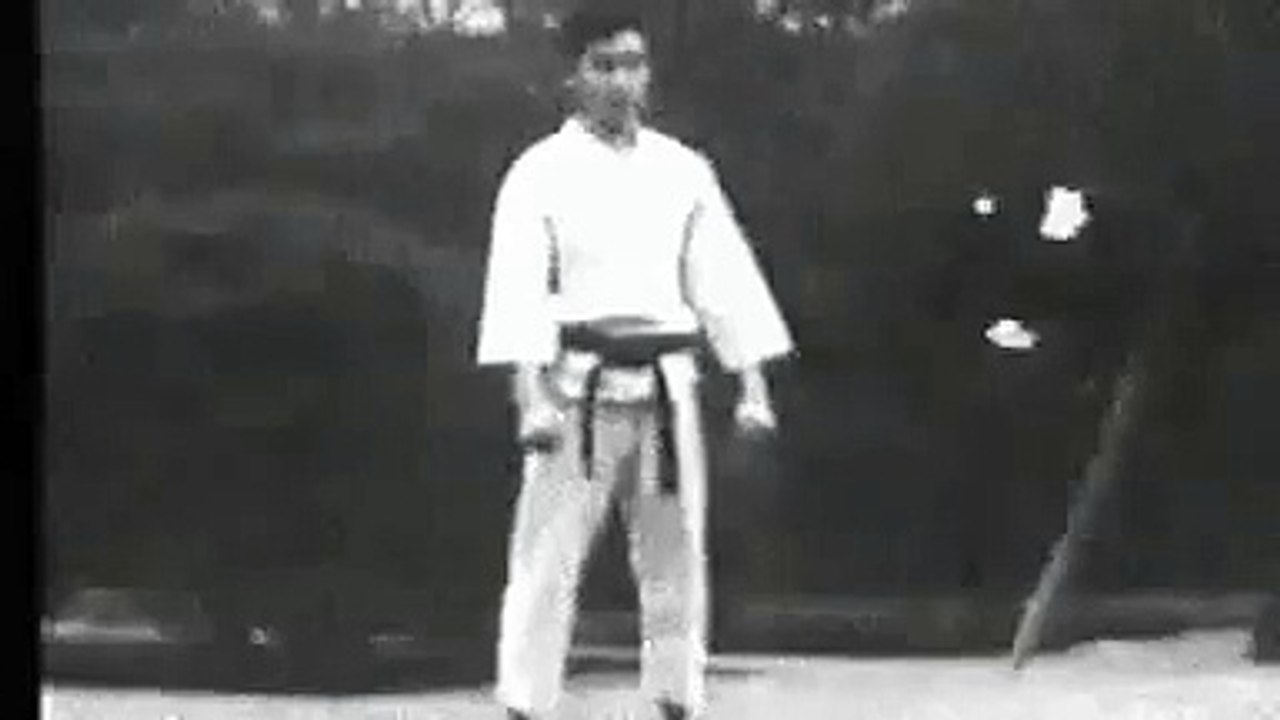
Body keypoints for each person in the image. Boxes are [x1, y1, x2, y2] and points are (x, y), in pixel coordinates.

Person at [474, 8, 795, 719]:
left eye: (633, 64)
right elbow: (519, 290)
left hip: (668, 385)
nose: (622, 82)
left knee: (677, 557)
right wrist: (530, 397)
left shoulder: (682, 169)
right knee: (547, 557)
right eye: (604, 66)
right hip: (577, 388)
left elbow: (722, 279)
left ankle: (676, 699)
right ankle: (526, 704)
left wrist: (753, 386)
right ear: (571, 77)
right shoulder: (540, 172)